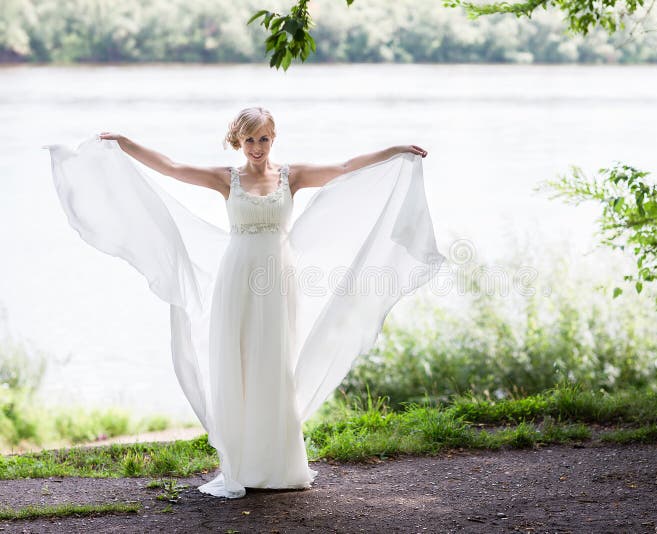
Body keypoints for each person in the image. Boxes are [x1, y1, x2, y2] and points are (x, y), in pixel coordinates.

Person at [44, 106, 445, 499]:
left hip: (277, 280)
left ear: (274, 138)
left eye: (264, 138)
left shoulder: (294, 175)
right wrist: (126, 143)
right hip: (237, 278)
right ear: (238, 141)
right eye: (250, 139)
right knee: (237, 364)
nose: (257, 146)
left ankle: (279, 465)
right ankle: (242, 464)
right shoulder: (227, 179)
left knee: (274, 364)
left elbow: (344, 167)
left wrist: (394, 150)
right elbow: (171, 167)